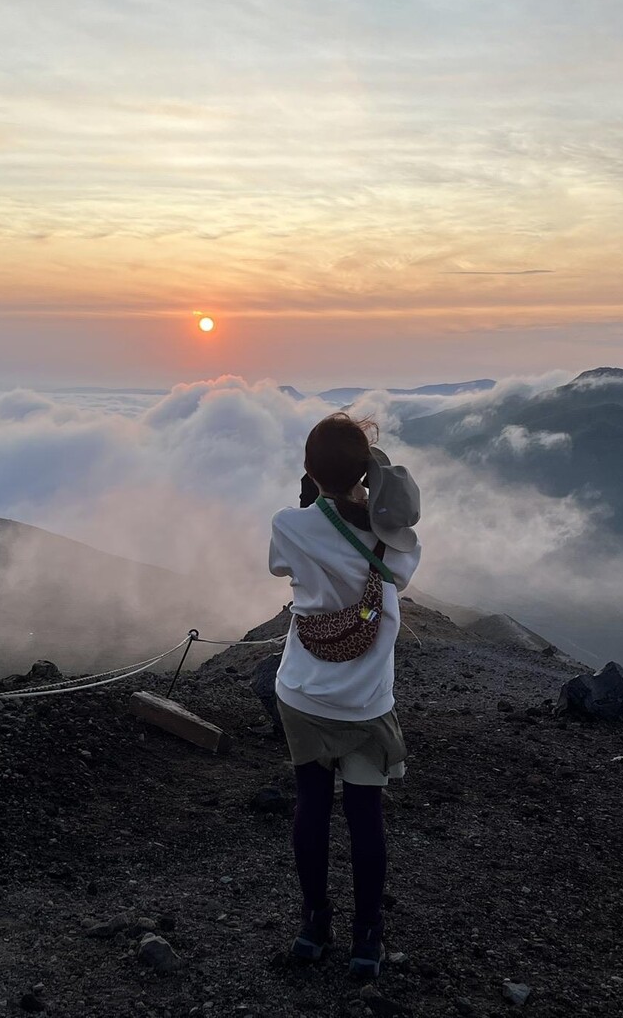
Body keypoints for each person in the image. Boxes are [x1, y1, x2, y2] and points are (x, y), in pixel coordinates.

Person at [269, 412, 422, 979]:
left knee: (311, 806)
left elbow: (282, 563)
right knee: (364, 818)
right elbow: (400, 565)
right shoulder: (394, 548)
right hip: (365, 702)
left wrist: (317, 498)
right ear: (366, 471)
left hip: (302, 692)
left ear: (309, 471)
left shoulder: (288, 523)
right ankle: (366, 941)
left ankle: (313, 926)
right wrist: (369, 494)